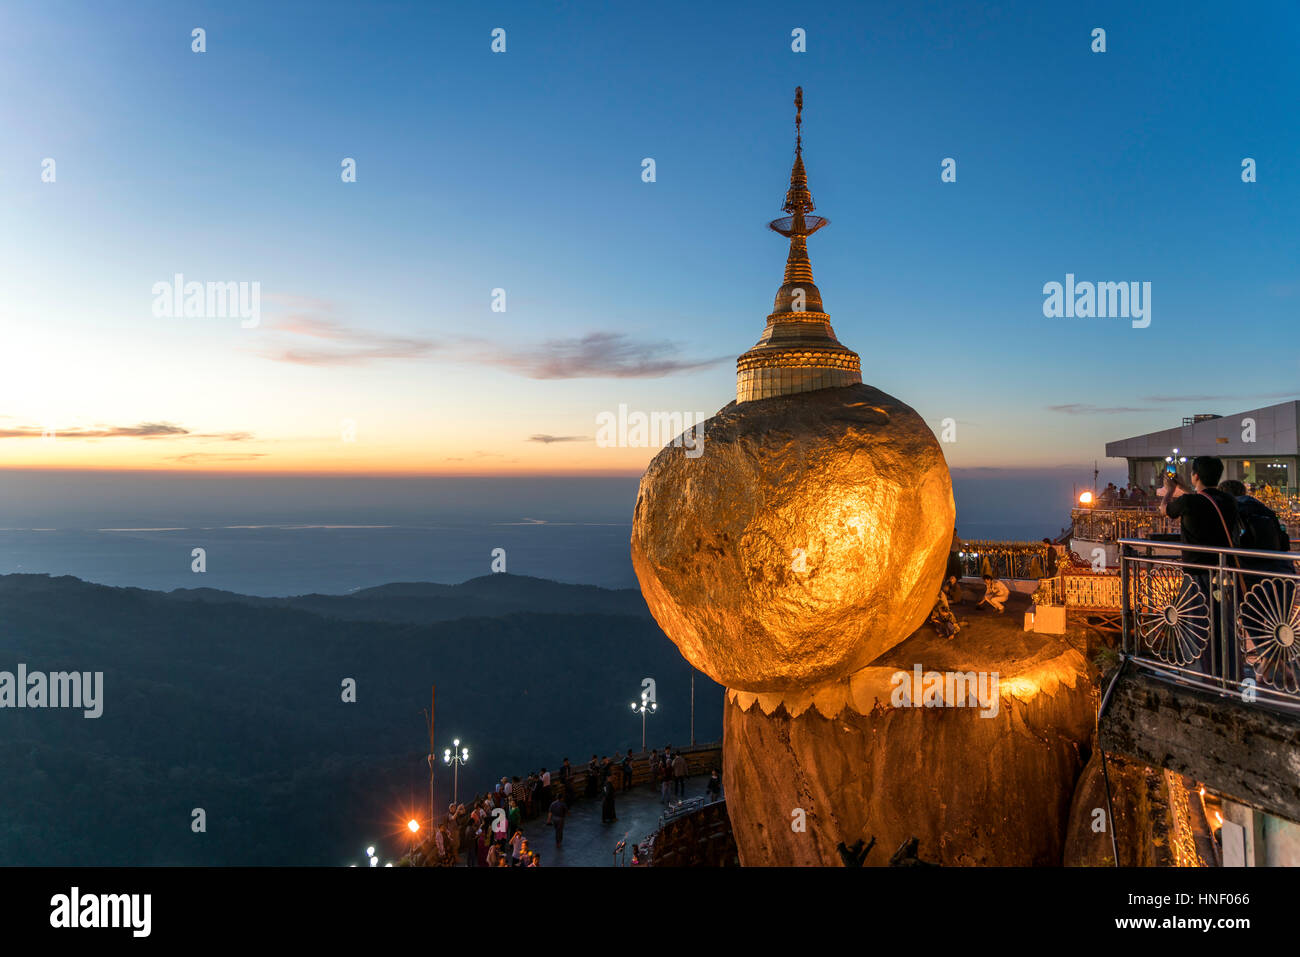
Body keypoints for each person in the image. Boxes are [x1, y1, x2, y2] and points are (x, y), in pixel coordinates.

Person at [1160, 456, 1241, 675]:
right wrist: (1184, 488)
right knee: (1225, 624)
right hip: (1225, 573)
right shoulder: (1229, 500)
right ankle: (1230, 672)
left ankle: (1203, 674)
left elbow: (1165, 510)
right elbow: (1202, 500)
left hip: (1196, 573)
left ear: (1195, 475)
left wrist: (1169, 490)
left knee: (1198, 625)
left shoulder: (1189, 503)